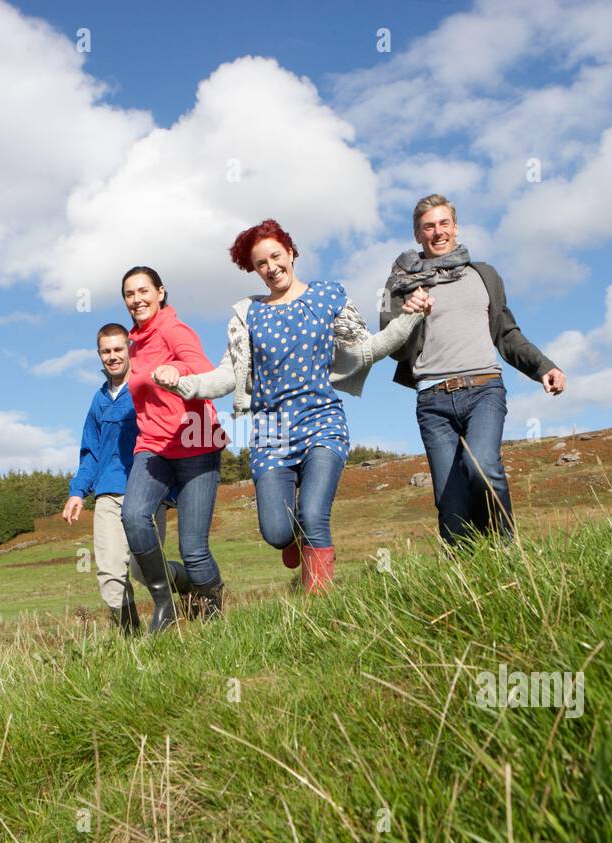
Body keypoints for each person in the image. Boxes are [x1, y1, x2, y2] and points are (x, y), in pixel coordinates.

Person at [163, 220, 426, 593]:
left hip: (322, 421)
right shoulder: (248, 315)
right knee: (276, 531)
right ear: (254, 271)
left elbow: (365, 348)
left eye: (275, 256)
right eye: (260, 264)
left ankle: (319, 608)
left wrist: (411, 316)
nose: (271, 267)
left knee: (314, 514)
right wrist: (186, 384)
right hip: (271, 433)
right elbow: (228, 375)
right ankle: (293, 539)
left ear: (291, 252)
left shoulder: (327, 297)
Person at [380, 194, 566, 547]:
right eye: (428, 227)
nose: (438, 232)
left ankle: (505, 550)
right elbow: (395, 349)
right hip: (432, 399)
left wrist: (544, 367)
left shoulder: (484, 275)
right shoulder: (399, 285)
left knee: (482, 466)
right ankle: (464, 577)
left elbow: (506, 333)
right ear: (417, 235)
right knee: (450, 502)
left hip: (484, 389)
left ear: (456, 227)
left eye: (444, 223)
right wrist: (408, 314)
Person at [119, 266, 228, 631]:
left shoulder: (173, 328)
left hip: (195, 441)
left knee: (193, 550)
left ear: (161, 292)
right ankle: (165, 607)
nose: (137, 299)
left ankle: (213, 613)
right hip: (153, 446)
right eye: (129, 294)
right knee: (133, 516)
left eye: (143, 291)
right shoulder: (134, 342)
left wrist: (176, 371)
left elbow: (204, 369)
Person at [60, 323, 186, 633]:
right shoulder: (98, 401)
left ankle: (189, 582)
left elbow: (170, 433)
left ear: (129, 349)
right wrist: (78, 492)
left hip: (145, 489)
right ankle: (131, 641)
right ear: (99, 354)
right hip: (107, 494)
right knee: (110, 574)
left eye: (118, 349)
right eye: (106, 351)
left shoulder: (147, 387)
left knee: (144, 571)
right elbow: (90, 452)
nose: (113, 356)